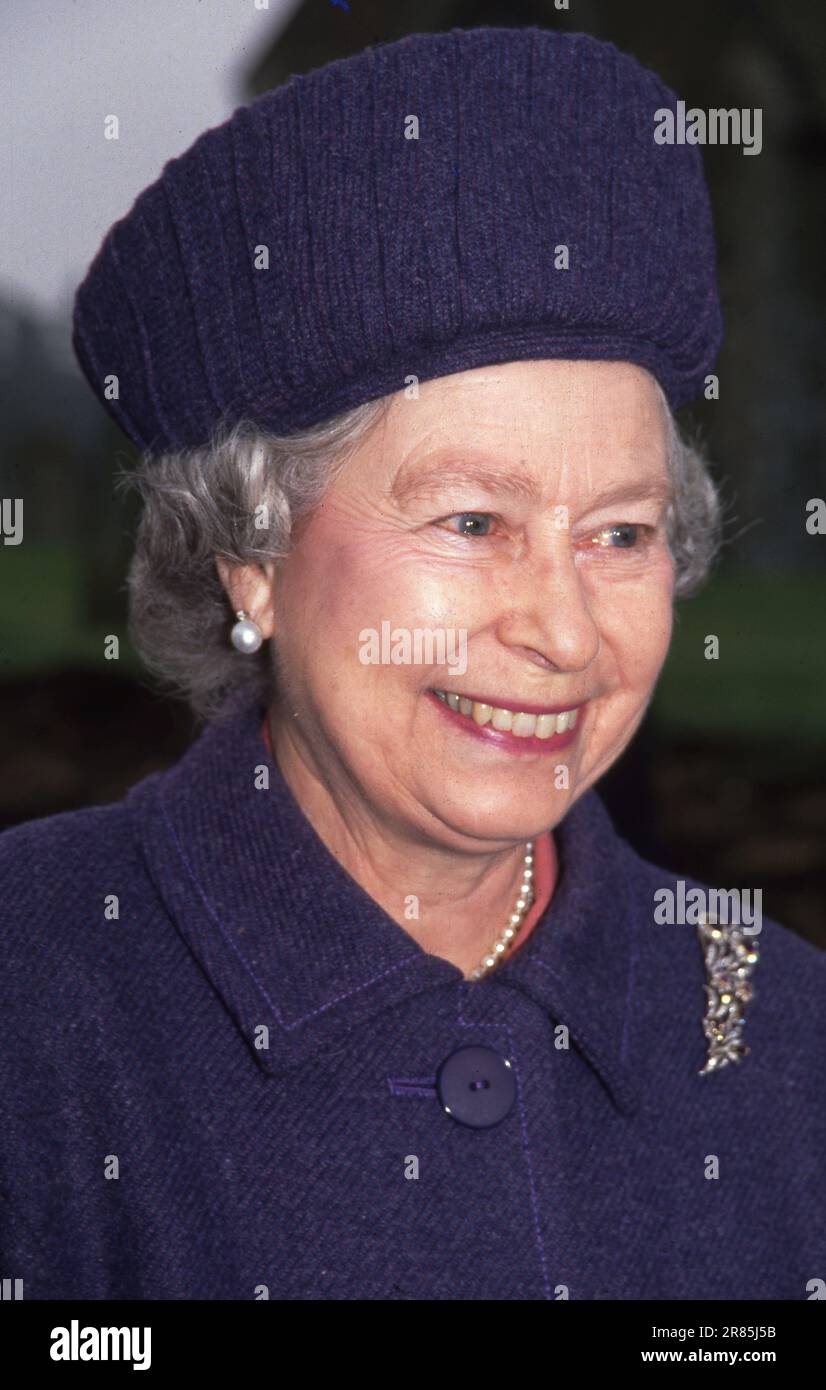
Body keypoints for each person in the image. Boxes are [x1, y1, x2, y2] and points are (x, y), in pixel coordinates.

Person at [1, 25, 823, 1301]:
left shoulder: (778, 1023)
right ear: (252, 557)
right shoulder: (32, 993)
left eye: (620, 532)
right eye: (472, 523)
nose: (562, 630)